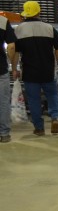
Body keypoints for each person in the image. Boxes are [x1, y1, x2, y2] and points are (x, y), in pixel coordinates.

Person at [11, 1, 58, 136]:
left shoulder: (19, 30)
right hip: (47, 69)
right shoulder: (48, 28)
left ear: (25, 14)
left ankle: (39, 128)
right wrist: (55, 61)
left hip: (29, 71)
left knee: (34, 99)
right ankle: (55, 117)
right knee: (52, 95)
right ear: (39, 12)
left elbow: (15, 52)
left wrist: (14, 68)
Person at [0, 14, 18, 143]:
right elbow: (11, 46)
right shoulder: (2, 21)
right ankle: (4, 134)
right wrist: (12, 63)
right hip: (0, 69)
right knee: (3, 102)